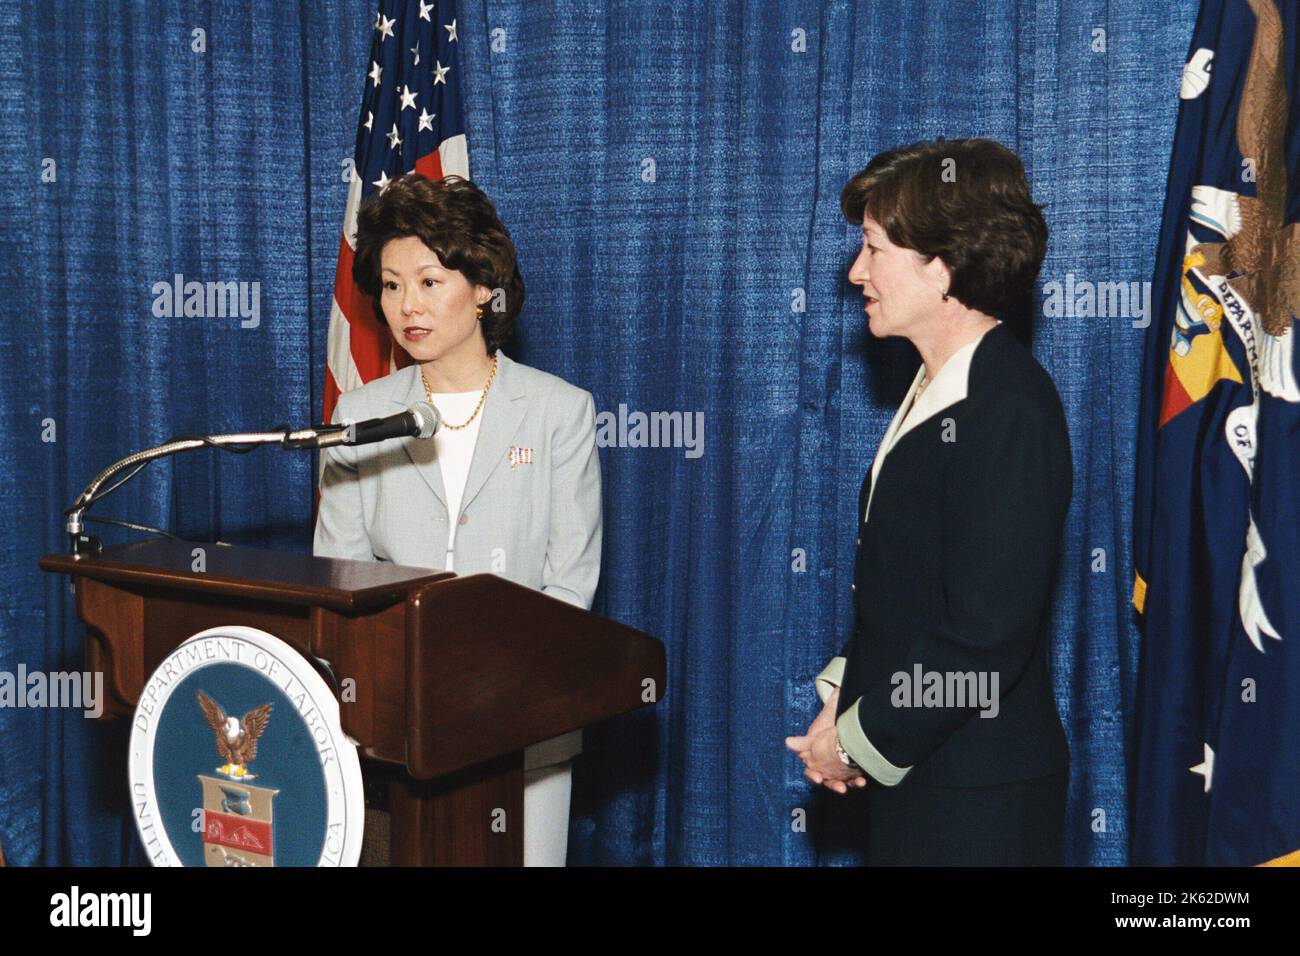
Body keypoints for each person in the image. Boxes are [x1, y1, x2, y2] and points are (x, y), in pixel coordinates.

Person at [785, 138, 1072, 865]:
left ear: (941, 267)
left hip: (978, 800)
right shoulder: (937, 388)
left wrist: (857, 741)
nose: (856, 274)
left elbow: (984, 640)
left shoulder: (1007, 408)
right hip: (925, 776)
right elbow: (913, 594)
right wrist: (842, 699)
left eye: (873, 250)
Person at [313, 172, 601, 867]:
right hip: (391, 731)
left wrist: (483, 693)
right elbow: (337, 584)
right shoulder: (358, 418)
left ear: (481, 288)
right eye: (388, 285)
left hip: (522, 725)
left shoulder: (561, 413)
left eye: (428, 281)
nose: (405, 305)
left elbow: (570, 591)